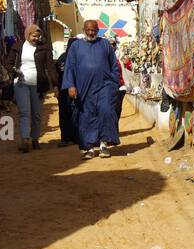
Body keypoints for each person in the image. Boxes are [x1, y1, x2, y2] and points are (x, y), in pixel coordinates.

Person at [61, 20, 121, 159]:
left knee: (106, 110)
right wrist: (70, 85)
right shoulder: (76, 46)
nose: (90, 33)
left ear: (97, 30)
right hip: (84, 87)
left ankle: (104, 144)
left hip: (105, 86)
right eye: (88, 30)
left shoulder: (105, 44)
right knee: (86, 115)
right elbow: (69, 67)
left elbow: (114, 65)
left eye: (93, 30)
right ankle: (88, 147)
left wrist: (114, 82)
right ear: (83, 30)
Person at [7, 25, 58, 153]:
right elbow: (8, 63)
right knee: (24, 112)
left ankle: (35, 138)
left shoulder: (44, 48)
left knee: (36, 114)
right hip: (21, 83)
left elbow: (51, 66)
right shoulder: (18, 46)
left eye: (38, 36)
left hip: (38, 84)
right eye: (33, 36)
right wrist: (14, 71)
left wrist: (55, 84)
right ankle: (25, 140)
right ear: (27, 35)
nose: (36, 38)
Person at [55, 35, 80, 147]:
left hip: (77, 90)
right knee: (65, 114)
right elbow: (56, 74)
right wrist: (56, 88)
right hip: (63, 91)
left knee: (77, 113)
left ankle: (75, 137)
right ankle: (65, 138)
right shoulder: (62, 59)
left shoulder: (82, 57)